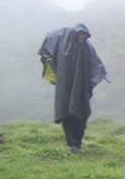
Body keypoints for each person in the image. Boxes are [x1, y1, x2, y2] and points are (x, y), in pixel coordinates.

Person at [38, 24, 107, 152]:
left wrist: (95, 77)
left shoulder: (87, 48)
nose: (82, 38)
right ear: (75, 34)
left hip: (82, 88)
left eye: (84, 36)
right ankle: (71, 144)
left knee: (81, 115)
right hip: (66, 87)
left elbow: (95, 64)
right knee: (67, 114)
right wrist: (47, 57)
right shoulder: (64, 44)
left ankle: (78, 143)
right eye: (80, 35)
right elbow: (50, 41)